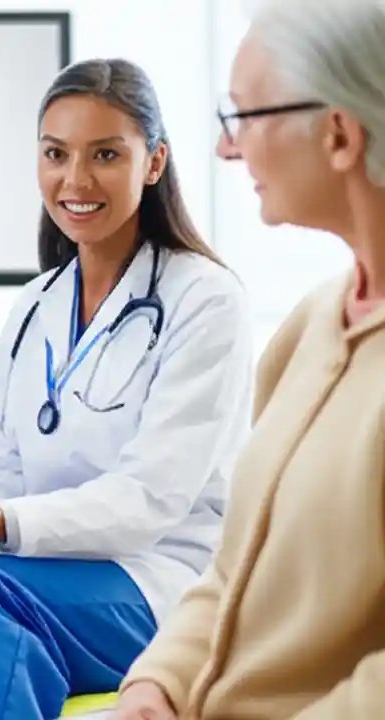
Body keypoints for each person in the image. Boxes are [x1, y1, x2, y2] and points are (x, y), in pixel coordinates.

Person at [0, 58, 255, 720]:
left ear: (153, 164)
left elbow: (150, 500)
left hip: (165, 587)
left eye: (106, 155)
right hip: (45, 585)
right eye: (56, 155)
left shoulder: (204, 298)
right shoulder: (36, 305)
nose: (76, 180)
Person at [116, 1, 385, 718]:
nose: (226, 150)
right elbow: (235, 569)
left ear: (337, 134)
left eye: (242, 116)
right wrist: (156, 684)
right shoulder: (310, 331)